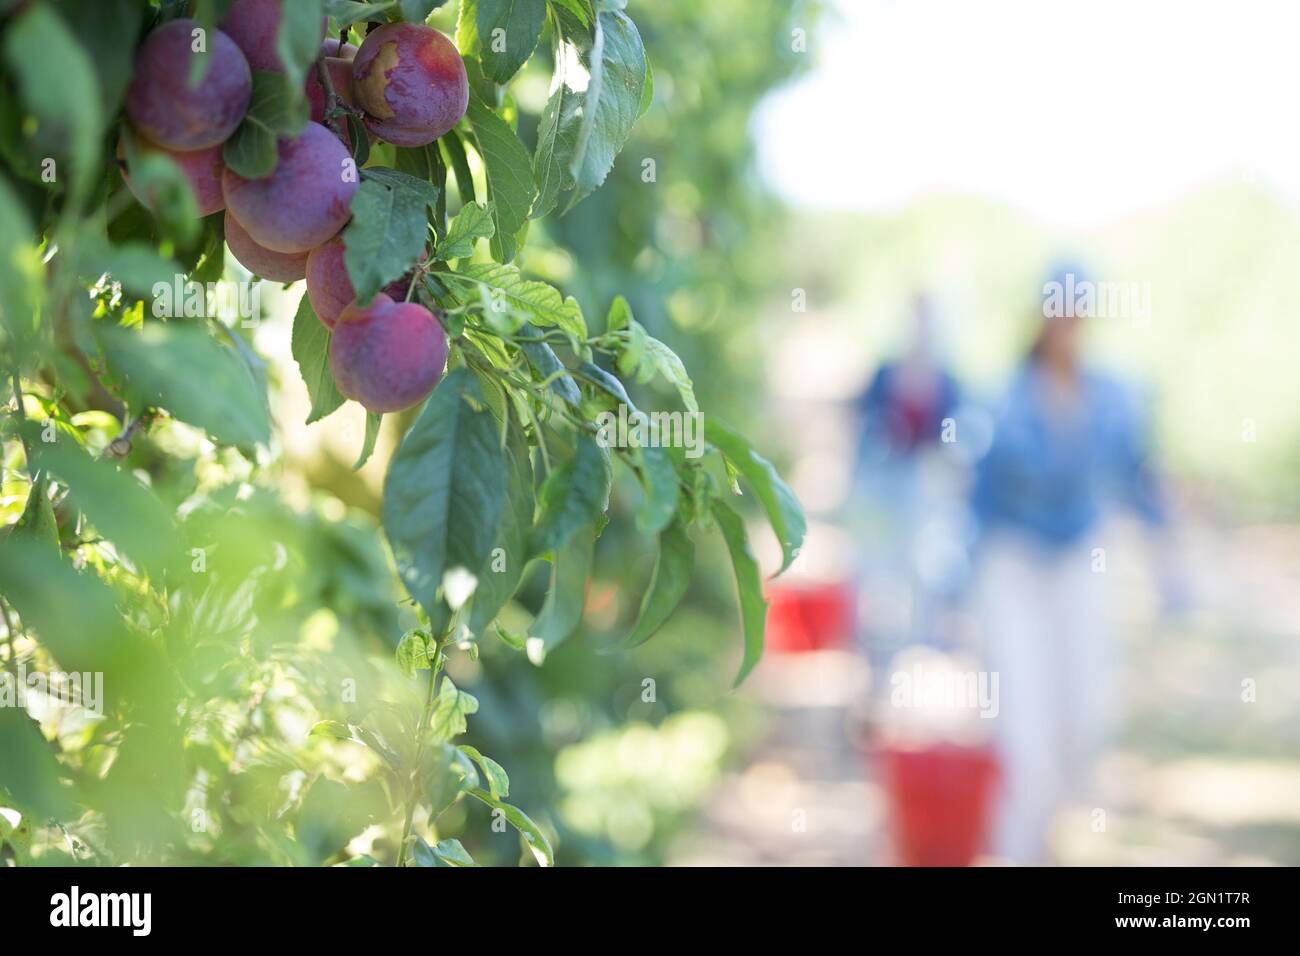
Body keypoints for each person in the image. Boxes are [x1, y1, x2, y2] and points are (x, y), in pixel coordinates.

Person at [970, 265, 1173, 864]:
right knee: (1023, 729)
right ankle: (1014, 849)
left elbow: (1140, 479)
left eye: (1077, 307)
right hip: (1012, 567)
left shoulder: (1114, 396)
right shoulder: (1003, 400)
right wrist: (950, 597)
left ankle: (1046, 836)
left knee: (1085, 719)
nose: (1067, 320)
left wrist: (1169, 566)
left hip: (1081, 564)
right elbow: (977, 505)